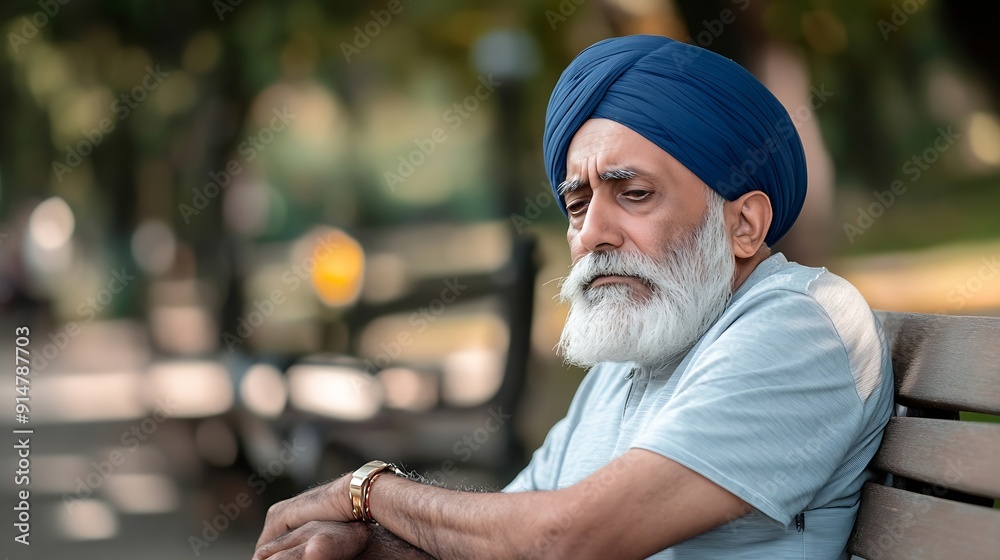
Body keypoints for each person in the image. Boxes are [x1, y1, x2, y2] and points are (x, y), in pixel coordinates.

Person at [252, 34, 893, 560]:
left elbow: (565, 539)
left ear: (743, 224)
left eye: (633, 193)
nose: (591, 234)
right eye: (578, 203)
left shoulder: (800, 325)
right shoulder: (630, 364)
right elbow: (511, 530)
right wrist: (368, 546)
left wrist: (370, 493)